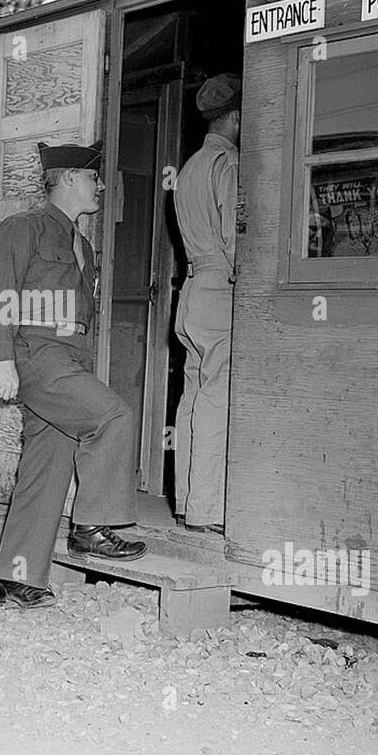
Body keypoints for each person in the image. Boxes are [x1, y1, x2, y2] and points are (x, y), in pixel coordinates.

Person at [0, 140, 147, 609]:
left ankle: (16, 577)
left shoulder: (83, 244)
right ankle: (91, 527)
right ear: (70, 178)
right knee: (113, 415)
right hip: (36, 353)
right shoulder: (23, 229)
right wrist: (5, 360)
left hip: (67, 355)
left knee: (47, 462)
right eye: (94, 178)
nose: (100, 186)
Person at [173, 74, 243, 534]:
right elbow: (235, 236)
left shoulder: (190, 166)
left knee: (192, 396)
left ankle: (183, 502)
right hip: (219, 288)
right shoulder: (228, 163)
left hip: (191, 291)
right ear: (237, 117)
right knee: (217, 399)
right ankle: (207, 511)